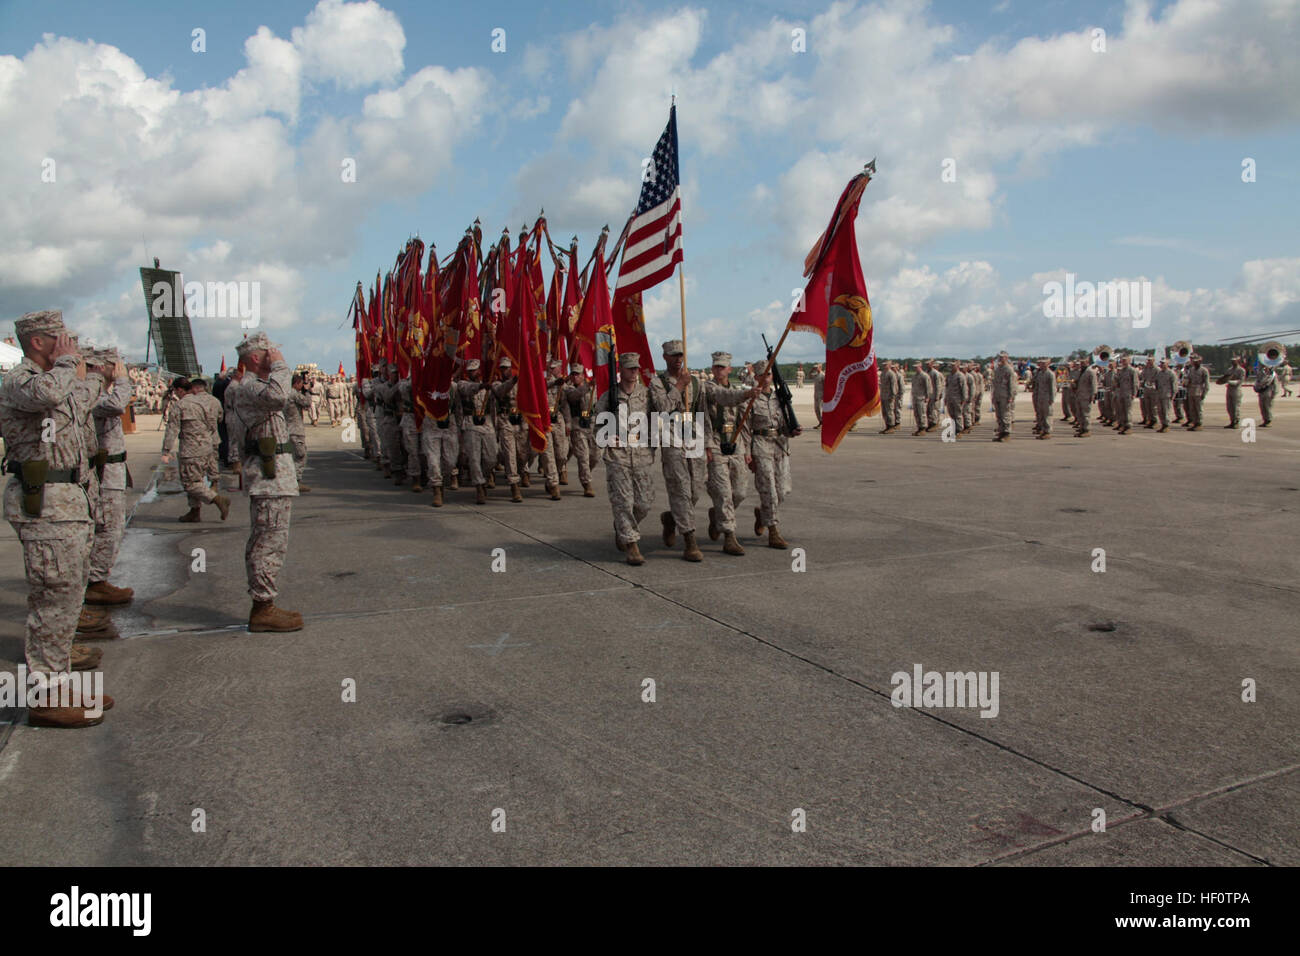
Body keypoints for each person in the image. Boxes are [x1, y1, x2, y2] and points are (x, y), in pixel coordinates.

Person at [0, 311, 113, 727]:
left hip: (68, 503)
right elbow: (47, 395)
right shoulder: (20, 381)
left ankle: (60, 684)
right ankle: (45, 697)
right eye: (59, 337)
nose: (68, 343)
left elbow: (82, 401)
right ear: (36, 342)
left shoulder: (58, 379)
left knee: (66, 602)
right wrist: (69, 364)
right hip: (43, 503)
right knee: (51, 602)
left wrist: (98, 374)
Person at [229, 332, 302, 632]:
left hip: (274, 476)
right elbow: (279, 396)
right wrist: (281, 366)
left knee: (272, 540)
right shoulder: (249, 386)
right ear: (256, 358)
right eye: (269, 352)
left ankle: (265, 603)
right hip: (268, 478)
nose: (274, 355)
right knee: (267, 542)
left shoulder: (255, 385)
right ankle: (262, 606)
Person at [84, 348, 135, 605]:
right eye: (113, 365)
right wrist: (123, 380)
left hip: (112, 468)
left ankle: (98, 578)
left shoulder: (98, 392)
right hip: (103, 474)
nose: (118, 369)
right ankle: (95, 581)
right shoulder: (88, 392)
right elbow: (116, 406)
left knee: (111, 527)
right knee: (108, 527)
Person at [651, 340, 707, 561]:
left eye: (680, 354)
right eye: (673, 355)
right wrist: (679, 387)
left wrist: (708, 442)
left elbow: (702, 413)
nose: (677, 358)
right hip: (671, 440)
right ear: (665, 357)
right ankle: (690, 540)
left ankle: (672, 519)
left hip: (694, 439)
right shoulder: (658, 383)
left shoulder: (695, 381)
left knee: (695, 490)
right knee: (680, 490)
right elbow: (661, 408)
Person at [605, 352, 662, 565]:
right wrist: (606, 436)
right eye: (630, 368)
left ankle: (623, 526)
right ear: (621, 371)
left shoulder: (647, 396)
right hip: (618, 455)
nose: (634, 372)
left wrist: (653, 446)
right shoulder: (610, 396)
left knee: (644, 503)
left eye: (636, 368)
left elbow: (657, 420)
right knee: (623, 502)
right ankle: (631, 545)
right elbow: (597, 421)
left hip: (641, 453)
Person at [702, 352, 754, 556]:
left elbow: (745, 424)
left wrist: (747, 449)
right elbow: (722, 398)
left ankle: (717, 516)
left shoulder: (738, 391)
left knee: (739, 492)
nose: (719, 370)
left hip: (736, 443)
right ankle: (729, 536)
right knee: (723, 492)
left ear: (730, 369)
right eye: (716, 367)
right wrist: (706, 446)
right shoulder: (708, 389)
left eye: (722, 367)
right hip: (715, 442)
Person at [162, 377, 230, 523]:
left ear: (180, 390)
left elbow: (172, 429)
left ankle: (217, 499)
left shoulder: (180, 405)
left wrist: (166, 450)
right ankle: (194, 512)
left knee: (190, 483)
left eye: (175, 391)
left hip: (191, 449)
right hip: (207, 447)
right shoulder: (203, 403)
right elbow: (216, 421)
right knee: (197, 479)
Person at [748, 363, 800, 548]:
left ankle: (762, 515)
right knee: (768, 489)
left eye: (768, 374)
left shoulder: (780, 397)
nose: (765, 377)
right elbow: (746, 429)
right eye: (761, 374)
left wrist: (792, 430)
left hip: (780, 444)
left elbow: (784, 424)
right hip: (761, 445)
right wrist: (749, 454)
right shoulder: (751, 398)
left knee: (782, 491)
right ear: (756, 377)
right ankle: (773, 531)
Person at [453, 359, 498, 504]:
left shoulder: (489, 383)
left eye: (475, 370)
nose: (473, 373)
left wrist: (513, 382)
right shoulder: (462, 384)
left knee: (491, 458)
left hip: (487, 423)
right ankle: (479, 486)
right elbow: (468, 389)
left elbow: (501, 391)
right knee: (474, 458)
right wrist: (481, 386)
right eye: (470, 370)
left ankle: (485, 477)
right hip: (470, 423)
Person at [563, 362, 598, 497]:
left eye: (578, 374)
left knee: (595, 456)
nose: (575, 377)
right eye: (573, 374)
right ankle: (587, 484)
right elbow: (574, 396)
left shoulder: (593, 387)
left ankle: (584, 472)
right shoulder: (568, 389)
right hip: (577, 425)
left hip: (592, 424)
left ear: (583, 375)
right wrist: (587, 386)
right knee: (583, 456)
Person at [286, 373, 312, 492]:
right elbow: (307, 403)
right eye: (301, 384)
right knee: (301, 455)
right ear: (296, 383)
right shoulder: (294, 394)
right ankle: (296, 481)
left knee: (291, 456)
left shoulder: (285, 393)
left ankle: (290, 480)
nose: (302, 386)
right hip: (296, 429)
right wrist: (307, 391)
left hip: (286, 429)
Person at [990, 352, 1016, 441]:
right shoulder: (997, 369)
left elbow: (1011, 384)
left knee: (1005, 414)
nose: (1000, 359)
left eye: (1002, 357)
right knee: (999, 415)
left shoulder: (1008, 369)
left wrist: (1011, 396)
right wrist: (993, 396)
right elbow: (995, 384)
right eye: (999, 357)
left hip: (1005, 395)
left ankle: (1006, 433)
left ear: (1006, 358)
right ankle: (1001, 432)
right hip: (997, 394)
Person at [1031, 358, 1056, 439]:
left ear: (1047, 364)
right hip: (1040, 397)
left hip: (1047, 397)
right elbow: (1037, 386)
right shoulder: (1040, 373)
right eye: (1041, 363)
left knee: (1047, 415)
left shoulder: (1050, 374)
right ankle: (1043, 430)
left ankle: (1047, 431)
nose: (1041, 365)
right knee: (1041, 415)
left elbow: (1053, 388)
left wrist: (1052, 399)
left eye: (1043, 363)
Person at [1184, 354, 1209, 431]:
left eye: (1196, 361)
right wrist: (1186, 384)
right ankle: (1194, 423)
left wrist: (1204, 393)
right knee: (1192, 409)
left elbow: (1206, 383)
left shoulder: (1204, 370)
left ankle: (1199, 423)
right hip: (1191, 391)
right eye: (1194, 361)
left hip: (1199, 391)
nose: (1195, 363)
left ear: (1200, 361)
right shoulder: (1191, 370)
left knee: (1198, 409)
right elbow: (1188, 379)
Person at [910, 361, 931, 435]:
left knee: (922, 413)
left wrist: (927, 397)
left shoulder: (924, 376)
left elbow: (928, 387)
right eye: (914, 367)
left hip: (921, 397)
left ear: (920, 366)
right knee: (916, 414)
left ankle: (923, 428)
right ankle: (919, 428)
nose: (915, 368)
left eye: (916, 367)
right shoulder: (914, 376)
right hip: (915, 397)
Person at [1224, 356, 1246, 428]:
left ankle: (1236, 422)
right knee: (1229, 407)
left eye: (1234, 361)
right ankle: (1232, 421)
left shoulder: (1241, 370)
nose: (1233, 362)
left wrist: (1230, 382)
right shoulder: (1229, 369)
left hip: (1236, 390)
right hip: (1229, 389)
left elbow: (1240, 381)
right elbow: (1225, 377)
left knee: (1236, 407)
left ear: (1238, 361)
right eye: (1232, 361)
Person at [1254, 361, 1277, 427]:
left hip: (1268, 393)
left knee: (1267, 407)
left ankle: (1268, 420)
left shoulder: (1272, 375)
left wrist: (1273, 394)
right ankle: (1265, 420)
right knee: (1262, 407)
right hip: (1261, 392)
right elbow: (1258, 382)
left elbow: (1275, 385)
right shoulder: (1261, 374)